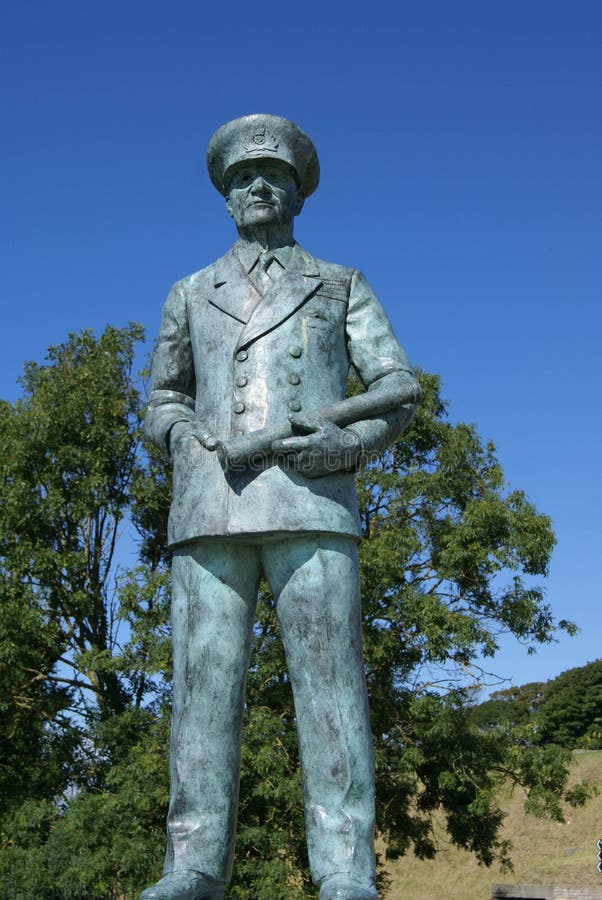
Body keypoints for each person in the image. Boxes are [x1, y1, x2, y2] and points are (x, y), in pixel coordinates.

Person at [141, 114, 420, 900]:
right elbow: (162, 396)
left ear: (298, 190)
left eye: (272, 176)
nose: (257, 187)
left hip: (314, 501)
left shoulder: (339, 283)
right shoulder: (191, 292)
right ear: (226, 197)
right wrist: (186, 437)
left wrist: (345, 448)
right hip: (210, 507)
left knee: (331, 690)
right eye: (241, 179)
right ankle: (192, 865)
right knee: (203, 690)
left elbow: (398, 389)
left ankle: (342, 870)